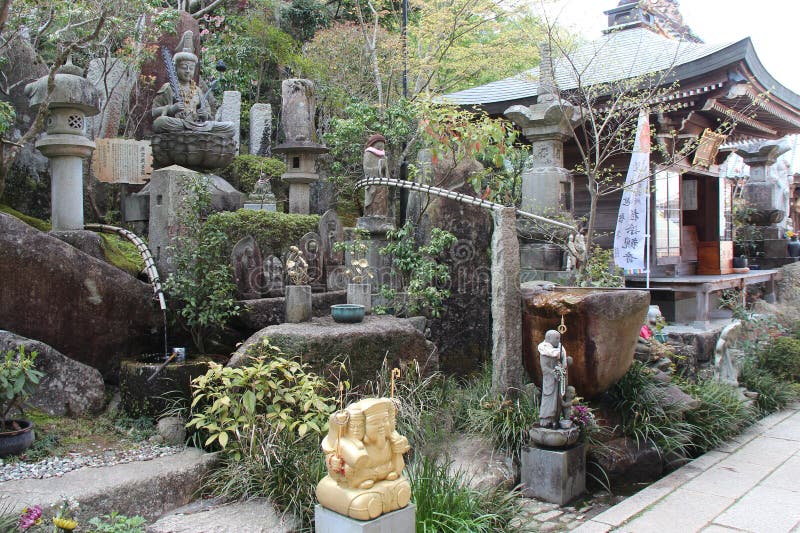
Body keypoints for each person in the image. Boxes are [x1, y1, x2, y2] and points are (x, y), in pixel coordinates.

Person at [151, 30, 234, 135]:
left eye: (191, 68)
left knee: (230, 127)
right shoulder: (168, 87)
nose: (187, 71)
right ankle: (192, 132)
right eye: (184, 67)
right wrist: (171, 109)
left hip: (198, 124)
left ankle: (195, 132)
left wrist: (205, 115)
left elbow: (209, 114)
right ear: (176, 68)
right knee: (161, 122)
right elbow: (153, 112)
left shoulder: (197, 90)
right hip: (179, 123)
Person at [538, 329, 567, 428]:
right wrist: (553, 372)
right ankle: (545, 419)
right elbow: (544, 368)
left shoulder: (560, 349)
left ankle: (556, 419)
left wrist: (563, 365)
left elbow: (564, 363)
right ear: (549, 338)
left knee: (558, 399)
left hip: (559, 379)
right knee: (548, 398)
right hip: (549, 380)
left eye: (559, 338)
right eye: (556, 338)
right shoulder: (544, 350)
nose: (558, 340)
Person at [363, 134, 391, 217]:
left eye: (383, 144)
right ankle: (371, 214)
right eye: (380, 143)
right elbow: (367, 168)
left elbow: (386, 171)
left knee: (382, 200)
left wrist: (385, 172)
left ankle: (382, 214)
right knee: (374, 199)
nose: (382, 145)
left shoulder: (383, 156)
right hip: (373, 182)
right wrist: (378, 168)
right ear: (375, 143)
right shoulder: (369, 154)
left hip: (382, 183)